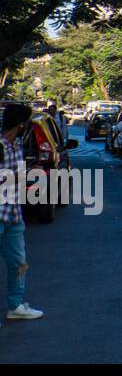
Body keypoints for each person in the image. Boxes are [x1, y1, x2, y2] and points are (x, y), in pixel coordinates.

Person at [1, 104, 43, 324]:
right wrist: (17, 177)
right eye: (26, 122)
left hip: (14, 214)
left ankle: (16, 305)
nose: (27, 126)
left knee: (18, 262)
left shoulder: (17, 145)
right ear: (20, 124)